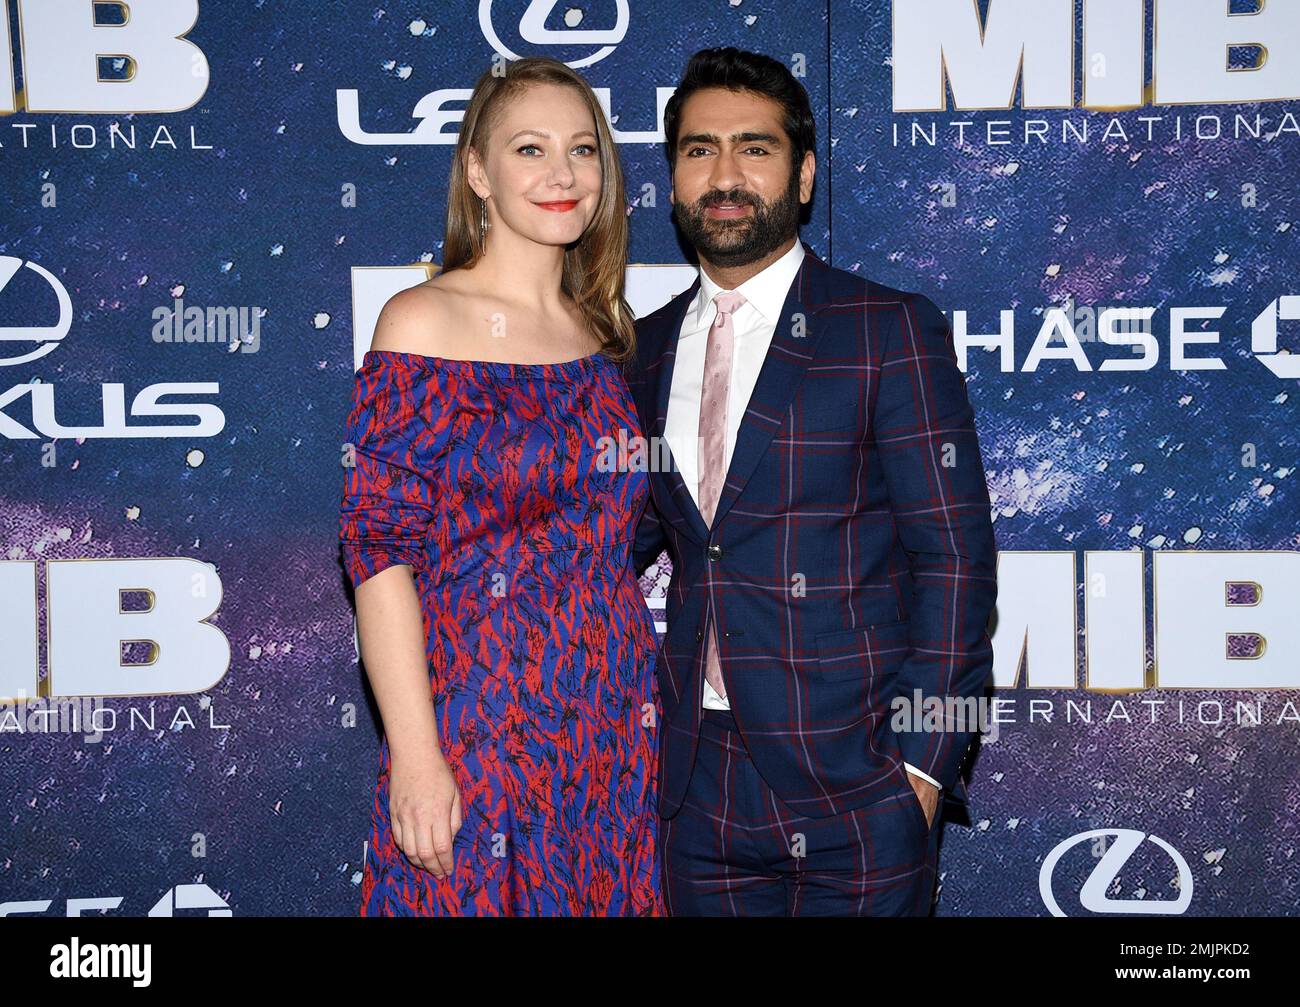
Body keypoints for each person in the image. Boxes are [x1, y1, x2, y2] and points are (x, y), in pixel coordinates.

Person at [629, 47, 999, 916]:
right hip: (694, 787)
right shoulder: (640, 350)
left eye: (753, 148)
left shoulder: (885, 328)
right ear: (674, 180)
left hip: (860, 781)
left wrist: (919, 769)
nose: (724, 174)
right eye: (698, 149)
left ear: (803, 175)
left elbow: (955, 560)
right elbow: (609, 543)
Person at [339, 57, 663, 916]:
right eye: (530, 148)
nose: (562, 174)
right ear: (478, 171)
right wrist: (416, 751)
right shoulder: (422, 320)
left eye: (583, 150)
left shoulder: (601, 334)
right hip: (479, 714)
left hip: (608, 719)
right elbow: (377, 552)